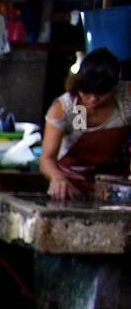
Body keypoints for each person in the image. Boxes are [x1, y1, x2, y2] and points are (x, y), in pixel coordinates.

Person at [40, 47, 130, 200]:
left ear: (114, 88)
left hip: (110, 180)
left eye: (101, 94)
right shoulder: (67, 108)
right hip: (71, 180)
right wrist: (57, 177)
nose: (93, 100)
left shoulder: (125, 98)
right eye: (87, 93)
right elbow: (46, 159)